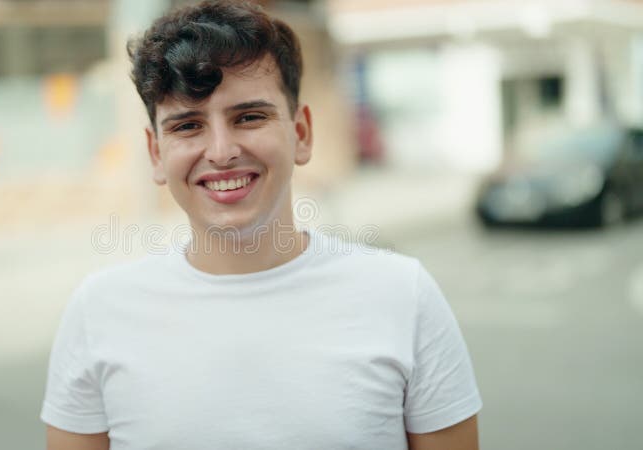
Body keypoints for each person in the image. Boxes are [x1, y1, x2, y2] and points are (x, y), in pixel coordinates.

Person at [41, 2, 482, 449]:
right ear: (156, 153)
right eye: (188, 125)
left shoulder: (403, 296)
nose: (221, 152)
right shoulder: (99, 313)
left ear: (301, 133)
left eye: (249, 117)